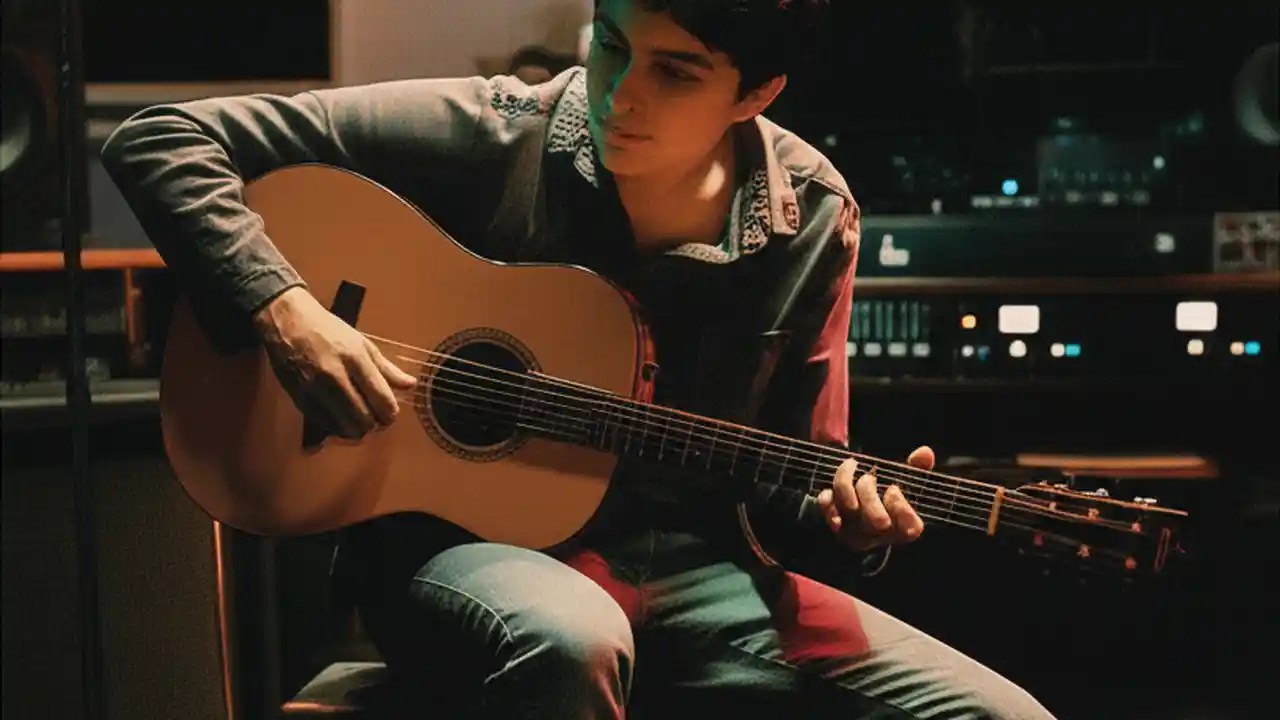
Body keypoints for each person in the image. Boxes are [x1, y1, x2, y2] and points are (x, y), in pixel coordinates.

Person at [102, 0, 1057, 717]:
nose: (620, 93)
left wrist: (851, 525)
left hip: (699, 575)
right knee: (575, 637)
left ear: (756, 94)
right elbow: (163, 139)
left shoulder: (811, 219)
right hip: (460, 555)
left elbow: (794, 480)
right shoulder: (491, 131)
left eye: (675, 72)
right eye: (611, 44)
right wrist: (286, 308)